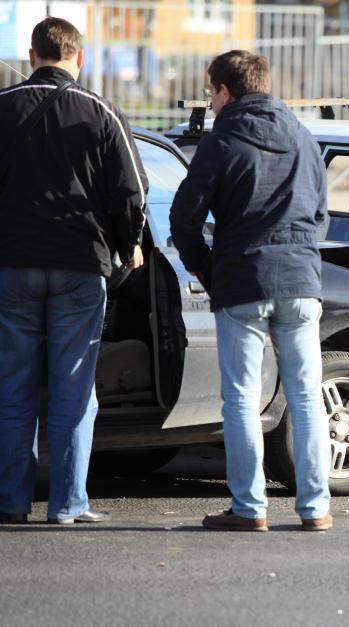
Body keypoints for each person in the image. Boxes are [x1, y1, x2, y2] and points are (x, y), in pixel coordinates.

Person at [169, 50, 332, 532]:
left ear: (225, 91)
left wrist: (210, 270)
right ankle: (315, 508)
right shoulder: (304, 137)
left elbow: (183, 217)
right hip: (302, 281)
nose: (210, 102)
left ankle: (249, 508)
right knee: (305, 397)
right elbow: (321, 213)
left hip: (242, 280)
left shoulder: (222, 141)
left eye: (210, 92)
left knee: (241, 398)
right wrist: (300, 252)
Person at [0, 17, 146, 524]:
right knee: (73, 390)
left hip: (12, 266)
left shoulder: (2, 106)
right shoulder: (100, 110)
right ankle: (67, 504)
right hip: (81, 267)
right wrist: (129, 245)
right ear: (78, 59)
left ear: (32, 54)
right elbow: (133, 191)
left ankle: (11, 502)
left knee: (12, 387)